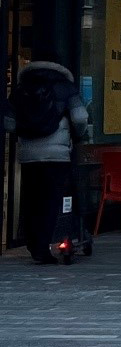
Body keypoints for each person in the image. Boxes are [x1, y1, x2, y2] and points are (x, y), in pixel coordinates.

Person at [3, 59, 90, 263]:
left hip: (29, 154)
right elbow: (79, 117)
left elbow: (8, 122)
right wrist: (77, 135)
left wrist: (25, 133)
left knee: (32, 199)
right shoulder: (66, 88)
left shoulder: (20, 90)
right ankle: (48, 244)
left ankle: (34, 244)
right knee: (52, 201)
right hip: (57, 155)